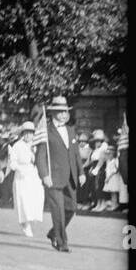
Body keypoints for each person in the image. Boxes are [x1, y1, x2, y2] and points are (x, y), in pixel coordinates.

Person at [36, 96, 84, 253]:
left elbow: (76, 154)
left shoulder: (70, 130)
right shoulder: (46, 131)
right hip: (53, 178)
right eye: (61, 112)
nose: (64, 115)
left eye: (66, 112)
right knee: (58, 211)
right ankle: (62, 242)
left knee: (71, 209)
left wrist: (81, 172)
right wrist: (44, 175)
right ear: (53, 113)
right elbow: (40, 156)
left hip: (70, 177)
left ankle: (53, 233)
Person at [9, 121, 45, 236]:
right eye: (26, 133)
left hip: (34, 175)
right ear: (22, 134)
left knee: (36, 198)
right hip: (22, 176)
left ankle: (31, 220)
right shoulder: (17, 146)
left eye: (31, 133)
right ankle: (26, 225)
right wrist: (20, 169)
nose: (28, 136)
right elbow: (12, 163)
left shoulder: (35, 145)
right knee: (23, 201)